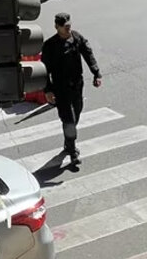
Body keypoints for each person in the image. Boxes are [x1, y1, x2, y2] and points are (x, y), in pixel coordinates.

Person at [41, 12, 102, 166]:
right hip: (61, 89)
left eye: (68, 25)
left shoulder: (76, 37)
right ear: (57, 27)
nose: (68, 28)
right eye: (64, 26)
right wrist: (47, 90)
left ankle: (68, 142)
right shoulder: (50, 46)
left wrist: (96, 73)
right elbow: (44, 70)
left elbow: (88, 54)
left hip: (77, 85)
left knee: (77, 114)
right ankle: (72, 151)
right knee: (69, 120)